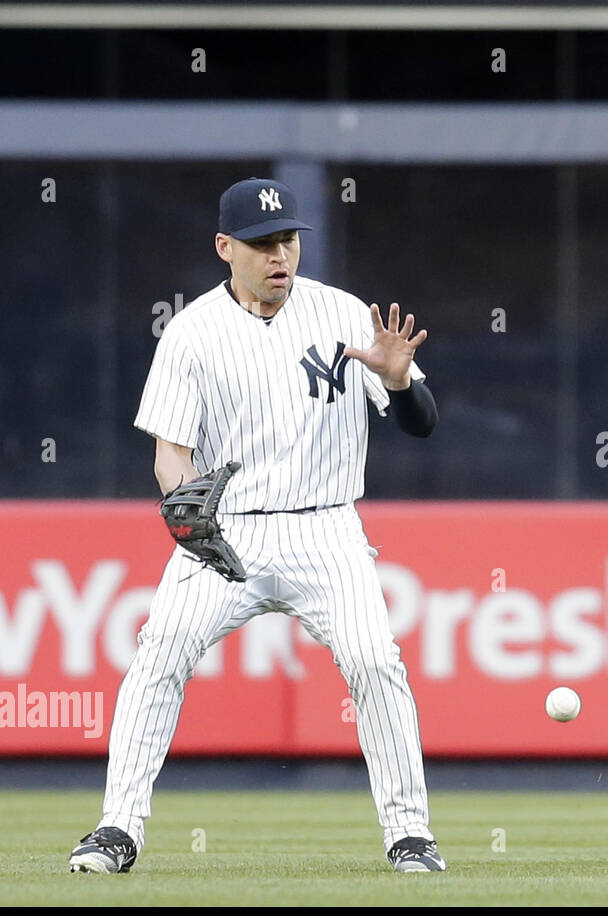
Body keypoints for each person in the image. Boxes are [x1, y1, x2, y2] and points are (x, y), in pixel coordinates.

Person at [69, 178, 447, 874]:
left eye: (288, 240)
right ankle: (116, 829)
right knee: (160, 653)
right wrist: (187, 512)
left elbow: (422, 423)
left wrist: (399, 383)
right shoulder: (190, 332)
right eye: (262, 243)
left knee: (374, 659)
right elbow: (170, 457)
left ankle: (411, 835)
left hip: (326, 526)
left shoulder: (341, 312)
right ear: (225, 248)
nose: (280, 254)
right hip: (229, 526)